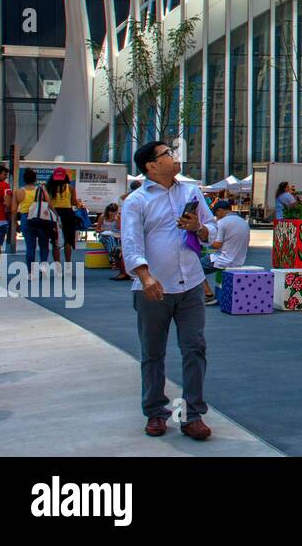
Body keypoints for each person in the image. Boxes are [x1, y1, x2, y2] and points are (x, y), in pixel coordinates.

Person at [121, 139, 217, 440]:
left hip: (190, 285)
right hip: (153, 289)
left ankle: (192, 415)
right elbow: (131, 243)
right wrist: (145, 277)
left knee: (195, 347)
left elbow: (212, 231)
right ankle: (155, 412)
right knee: (152, 353)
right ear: (151, 166)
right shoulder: (136, 201)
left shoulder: (190, 191)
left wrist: (197, 229)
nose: (174, 157)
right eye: (167, 154)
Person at [200, 198, 250, 304]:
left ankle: (208, 294)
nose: (216, 217)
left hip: (223, 259)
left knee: (195, 267)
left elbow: (217, 245)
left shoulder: (222, 222)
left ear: (219, 211)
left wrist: (204, 240)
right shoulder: (243, 222)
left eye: (216, 214)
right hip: (239, 260)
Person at [46, 168, 85, 263]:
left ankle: (57, 266)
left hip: (54, 214)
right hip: (68, 214)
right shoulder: (70, 188)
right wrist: (79, 204)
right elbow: (73, 202)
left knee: (55, 241)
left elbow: (47, 203)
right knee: (68, 241)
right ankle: (68, 265)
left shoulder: (50, 188)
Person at [97, 203, 130, 280]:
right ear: (108, 211)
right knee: (111, 239)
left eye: (114, 212)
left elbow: (120, 228)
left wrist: (117, 220)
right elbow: (97, 229)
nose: (112, 213)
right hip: (105, 235)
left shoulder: (117, 216)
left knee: (116, 240)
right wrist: (104, 230)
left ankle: (113, 255)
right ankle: (113, 254)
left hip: (115, 234)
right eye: (111, 211)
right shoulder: (102, 216)